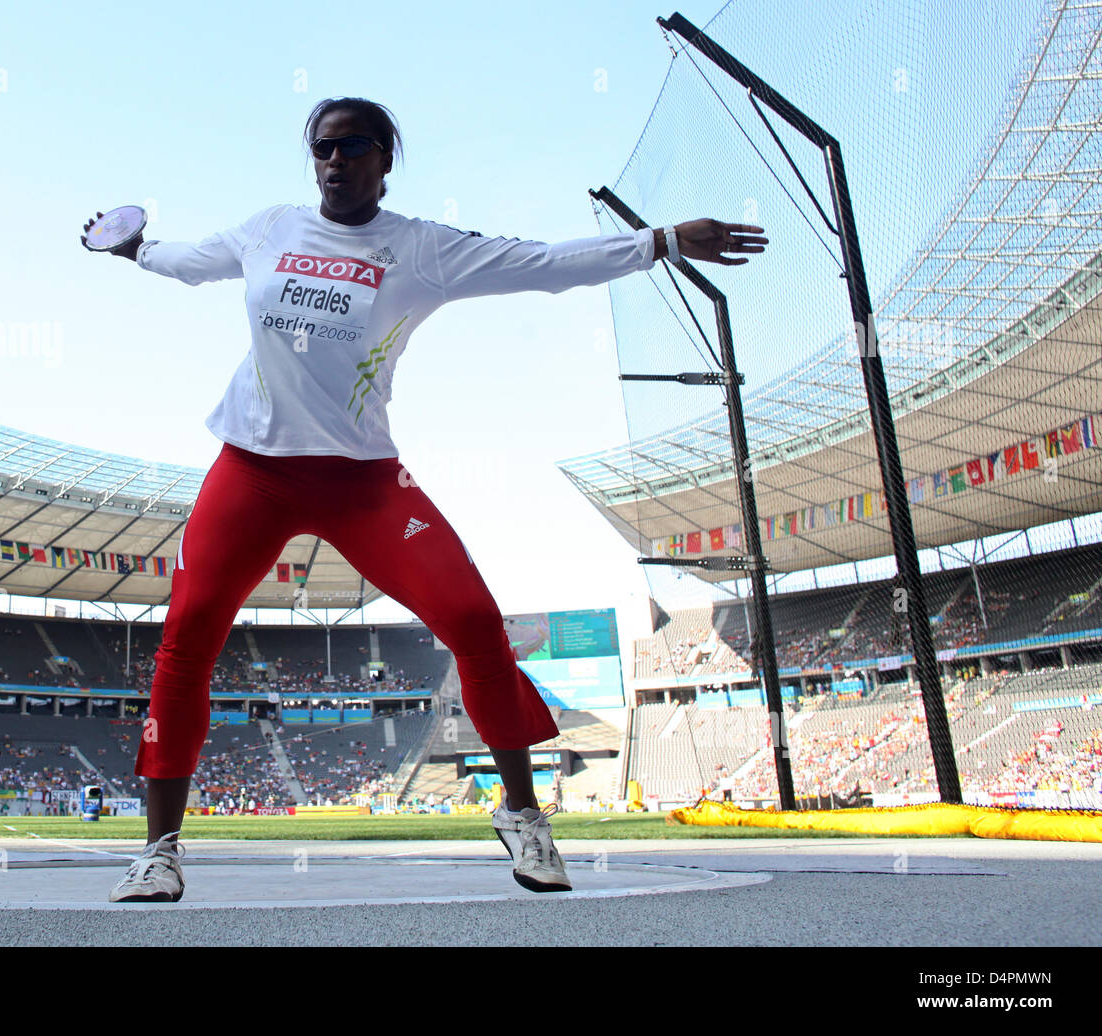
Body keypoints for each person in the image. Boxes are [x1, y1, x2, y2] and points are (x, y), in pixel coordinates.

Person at [88, 96, 765, 905]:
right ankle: (160, 851)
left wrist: (656, 242)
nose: (335, 162)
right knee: (187, 639)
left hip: (364, 481)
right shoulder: (271, 228)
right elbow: (190, 260)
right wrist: (135, 248)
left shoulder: (421, 248)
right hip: (253, 470)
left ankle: (523, 817)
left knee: (476, 623)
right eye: (323, 149)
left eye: (354, 147)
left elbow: (543, 265)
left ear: (386, 159)